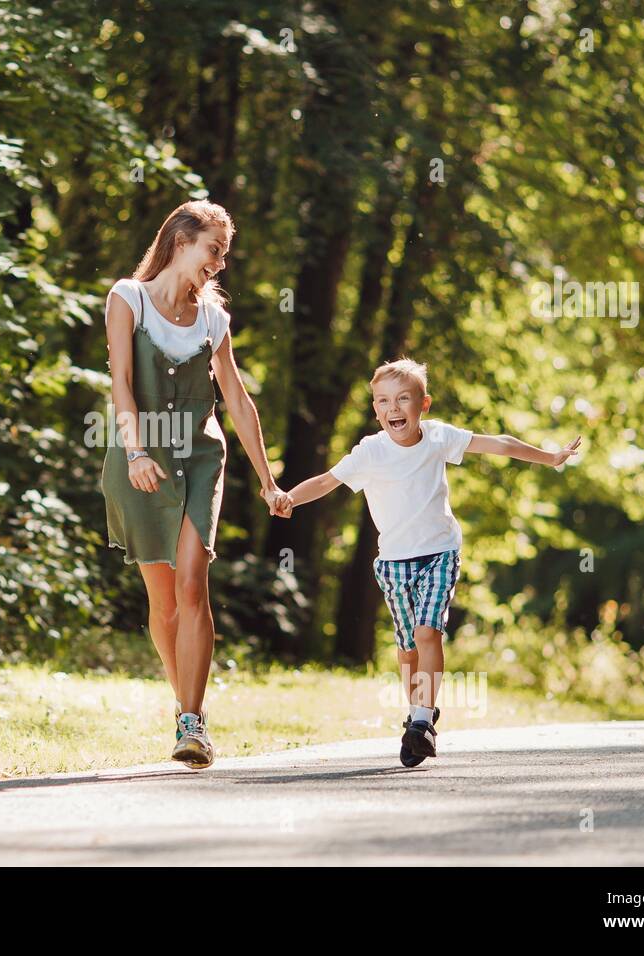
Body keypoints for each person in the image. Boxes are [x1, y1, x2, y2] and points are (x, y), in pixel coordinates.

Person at [279, 357, 580, 766]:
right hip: (393, 563)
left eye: (403, 399)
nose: (393, 409)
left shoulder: (439, 438)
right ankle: (417, 715)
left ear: (424, 404)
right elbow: (327, 481)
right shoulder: (370, 452)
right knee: (406, 651)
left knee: (428, 635)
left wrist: (550, 457)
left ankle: (421, 723)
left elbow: (500, 443)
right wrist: (289, 498)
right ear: (375, 409)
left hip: (440, 552)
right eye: (383, 401)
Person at [101, 200, 291, 769]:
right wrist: (135, 450)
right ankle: (180, 698)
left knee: (191, 585)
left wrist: (267, 480)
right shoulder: (127, 298)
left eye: (225, 254)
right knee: (162, 601)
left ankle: (193, 720)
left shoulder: (214, 319)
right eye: (215, 249)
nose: (220, 263)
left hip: (201, 456)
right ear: (182, 239)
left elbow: (235, 398)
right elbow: (122, 382)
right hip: (143, 457)